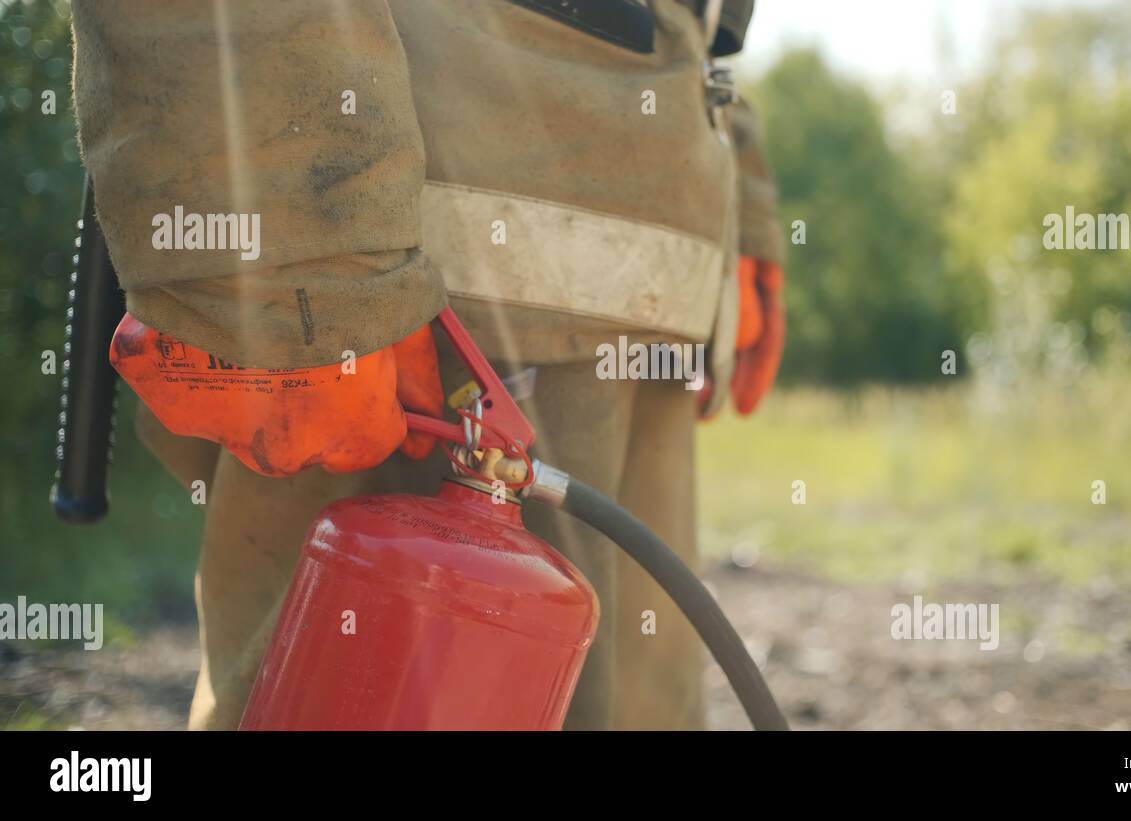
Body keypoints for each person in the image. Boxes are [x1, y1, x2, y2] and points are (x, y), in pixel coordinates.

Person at [71, 0, 784, 730]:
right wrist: (292, 219)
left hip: (656, 270)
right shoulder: (338, 266)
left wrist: (739, 185)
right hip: (397, 281)